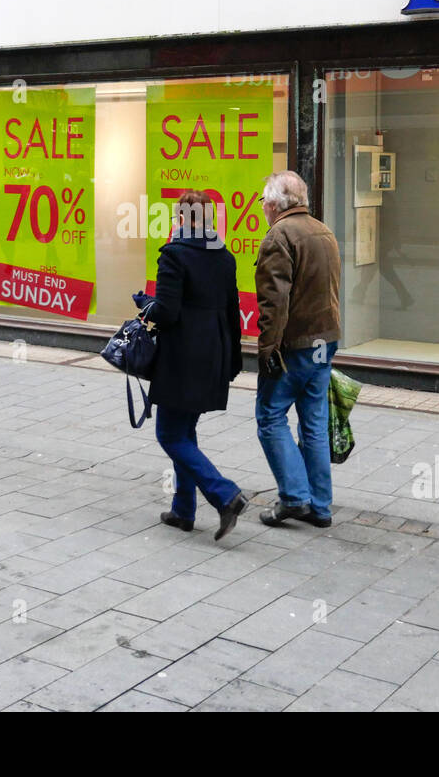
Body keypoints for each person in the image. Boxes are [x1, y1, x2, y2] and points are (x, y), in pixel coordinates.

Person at [139, 191, 248, 541]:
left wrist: (145, 305)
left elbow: (167, 313)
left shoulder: (174, 255)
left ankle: (225, 494)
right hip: (213, 352)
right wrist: (233, 359)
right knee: (185, 431)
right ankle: (183, 510)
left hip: (183, 357)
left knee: (169, 434)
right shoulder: (224, 255)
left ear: (183, 219)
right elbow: (234, 312)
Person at [253, 171, 342, 528]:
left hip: (295, 345)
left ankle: (294, 497)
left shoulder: (280, 235)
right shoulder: (324, 231)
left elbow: (274, 303)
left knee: (271, 418)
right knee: (314, 424)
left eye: (263, 203)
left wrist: (267, 350)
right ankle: (320, 506)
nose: (262, 209)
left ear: (273, 204)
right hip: (325, 339)